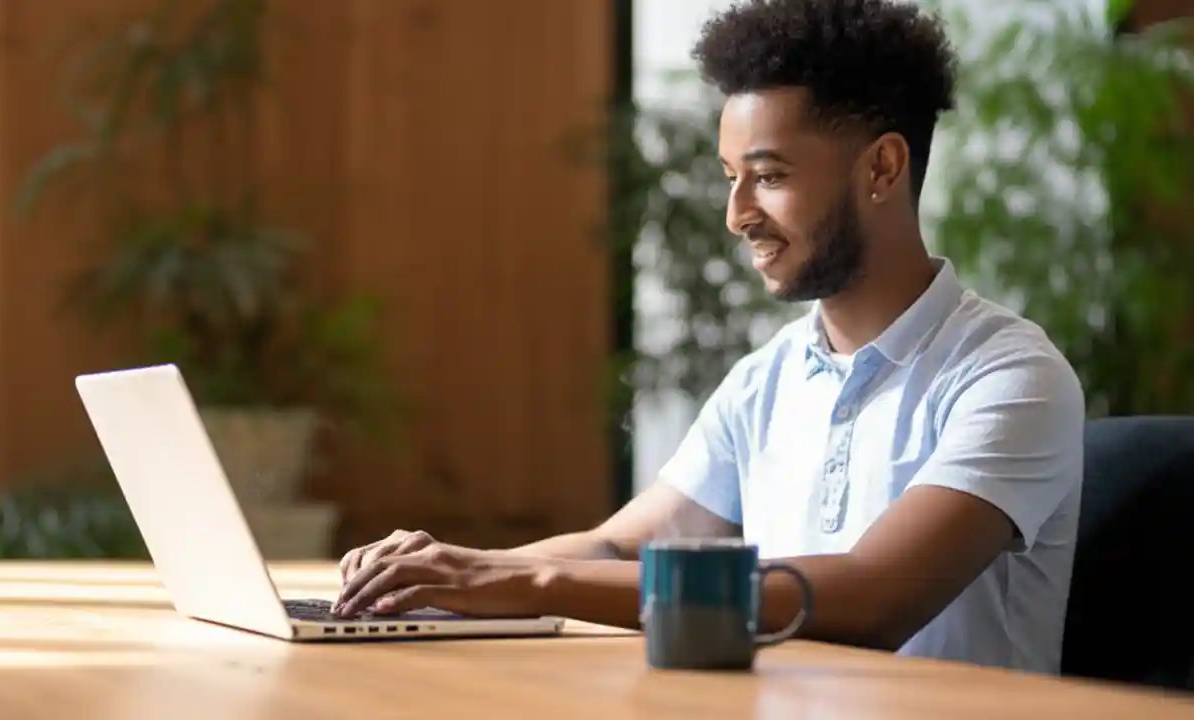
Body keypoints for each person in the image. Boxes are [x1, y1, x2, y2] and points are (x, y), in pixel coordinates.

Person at [331, 0, 1084, 674]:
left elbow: (872, 599)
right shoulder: (770, 379)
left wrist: (520, 582)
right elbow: (620, 547)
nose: (737, 214)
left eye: (769, 176)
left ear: (883, 168)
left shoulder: (1010, 377)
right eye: (731, 176)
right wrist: (446, 571)